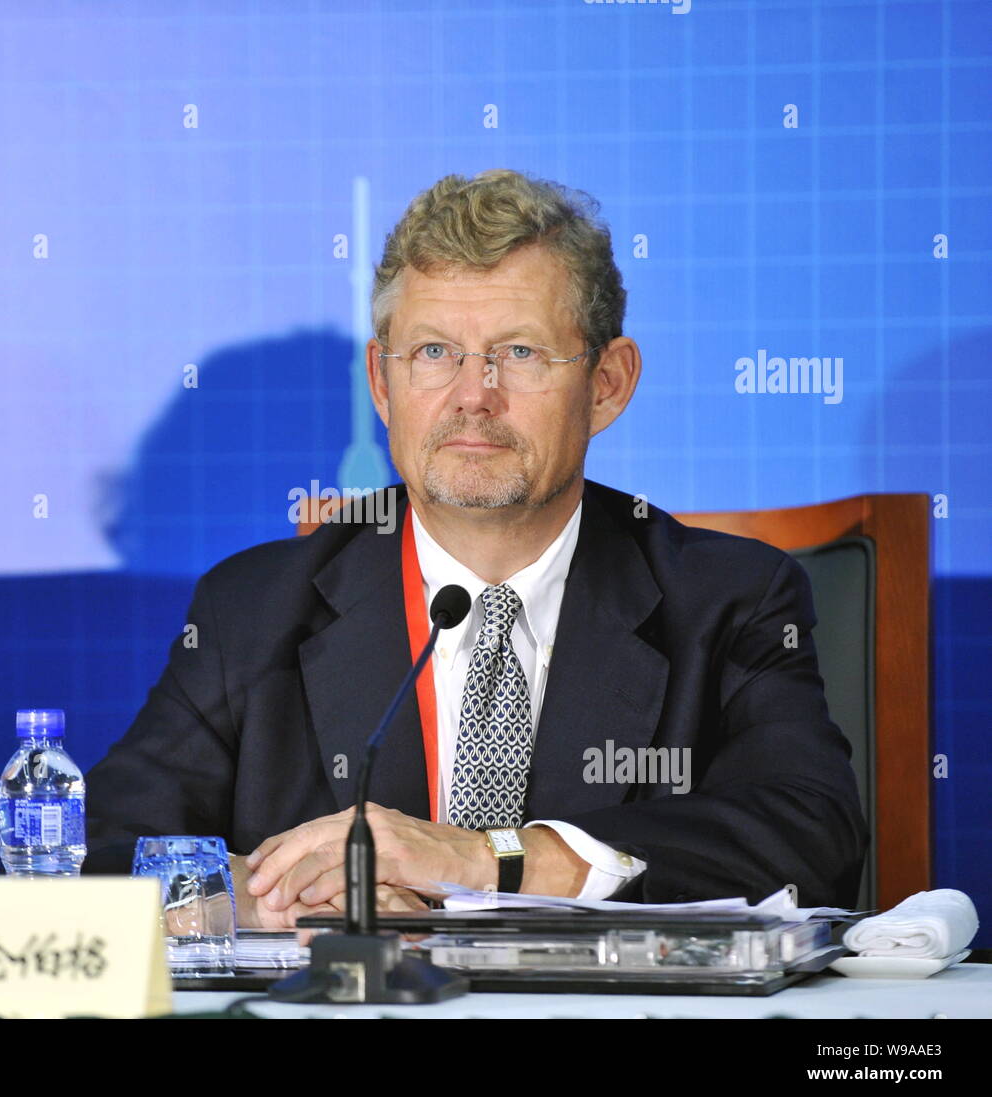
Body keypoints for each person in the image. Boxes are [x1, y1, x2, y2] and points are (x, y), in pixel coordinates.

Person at [84, 169, 869, 929]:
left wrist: (485, 861)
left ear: (608, 384)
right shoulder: (251, 608)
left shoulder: (727, 598)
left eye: (520, 353)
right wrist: (263, 904)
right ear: (383, 384)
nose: (472, 394)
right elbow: (105, 855)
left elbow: (809, 835)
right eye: (433, 352)